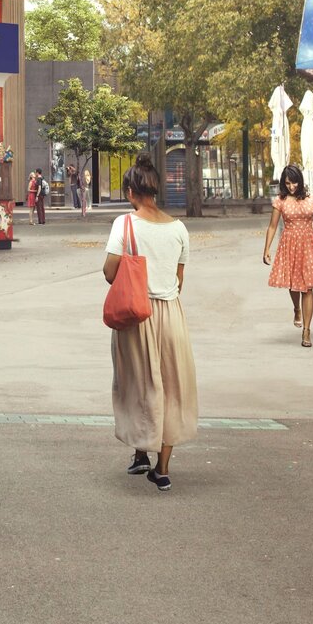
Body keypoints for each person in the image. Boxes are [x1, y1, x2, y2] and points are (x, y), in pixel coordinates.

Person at [102, 160, 196, 491]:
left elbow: (110, 273)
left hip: (136, 316)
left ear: (131, 192)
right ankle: (162, 468)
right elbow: (179, 278)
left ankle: (140, 450)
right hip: (172, 316)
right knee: (169, 388)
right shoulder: (179, 228)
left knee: (137, 384)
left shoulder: (124, 224)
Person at [263, 164, 313, 347]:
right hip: (289, 244)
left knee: (308, 287)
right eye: (288, 183)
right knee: (293, 285)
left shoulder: (312, 198)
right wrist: (266, 249)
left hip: (308, 244)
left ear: (300, 181)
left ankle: (306, 330)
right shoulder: (280, 201)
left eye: (294, 182)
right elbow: (273, 226)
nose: (292, 186)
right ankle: (296, 308)